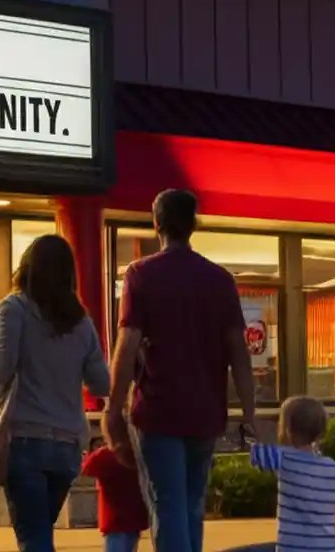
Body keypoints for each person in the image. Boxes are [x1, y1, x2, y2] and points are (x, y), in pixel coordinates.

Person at [104, 189, 257, 552]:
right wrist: (249, 412)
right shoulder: (220, 280)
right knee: (190, 505)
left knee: (167, 504)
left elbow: (127, 346)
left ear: (156, 224)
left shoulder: (141, 275)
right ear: (194, 225)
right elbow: (239, 351)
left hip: (157, 410)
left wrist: (112, 408)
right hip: (206, 412)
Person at [0, 234, 110, 552]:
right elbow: (101, 383)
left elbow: (0, 370)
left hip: (25, 440)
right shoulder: (81, 322)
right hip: (67, 447)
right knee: (40, 533)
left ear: (26, 267)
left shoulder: (13, 309)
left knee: (34, 539)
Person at [250, 397, 335, 552]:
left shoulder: (283, 458)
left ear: (287, 429)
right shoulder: (333, 468)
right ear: (321, 432)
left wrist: (249, 419)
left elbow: (256, 452)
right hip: (328, 547)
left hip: (292, 547)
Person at [82, 434, 149, 552]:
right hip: (136, 517)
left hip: (114, 520)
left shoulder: (106, 455)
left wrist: (90, 453)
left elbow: (87, 467)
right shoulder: (139, 454)